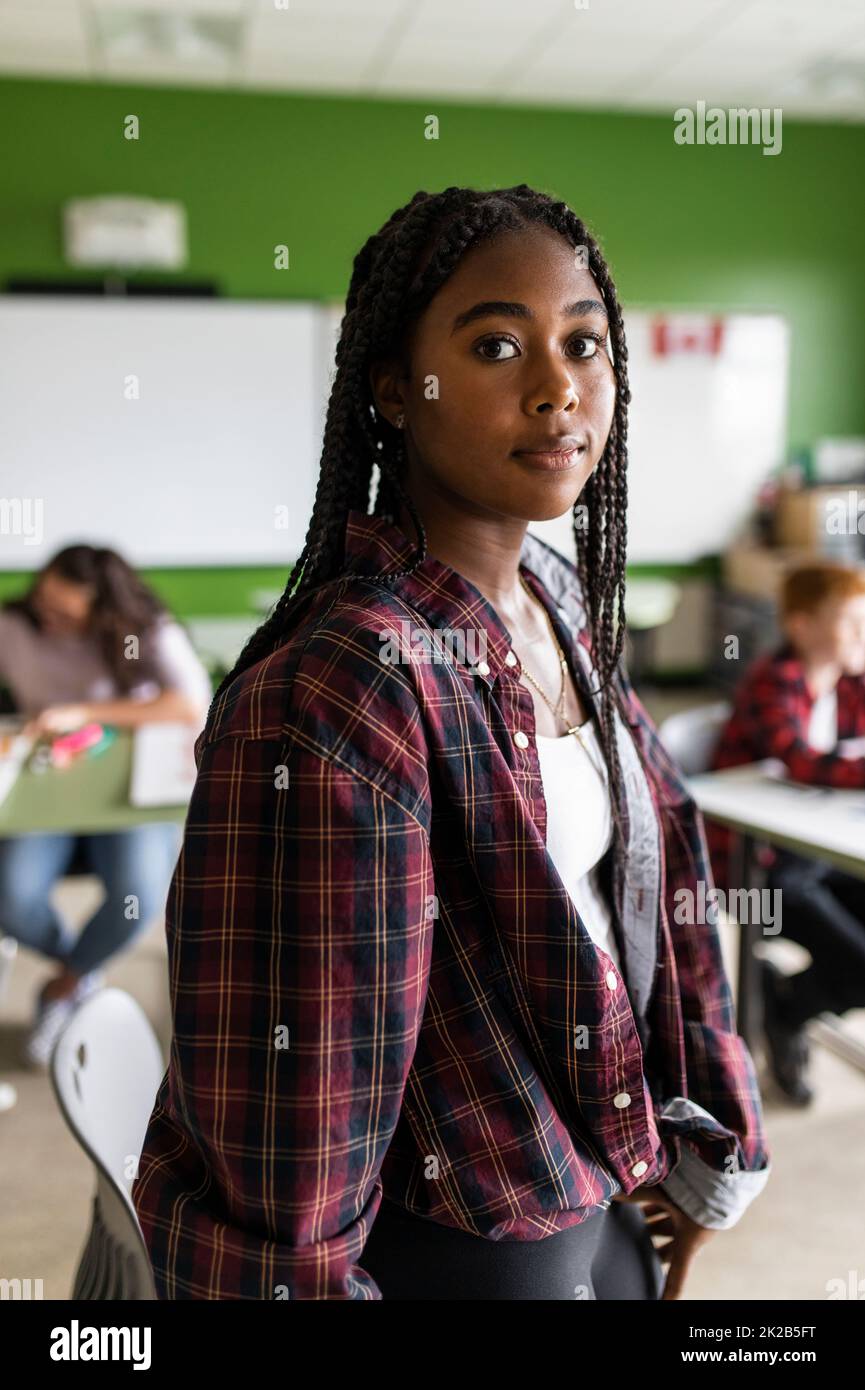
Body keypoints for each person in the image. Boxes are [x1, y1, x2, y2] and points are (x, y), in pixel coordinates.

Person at [132, 185, 771, 1302]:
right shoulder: (345, 689)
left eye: (584, 343)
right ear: (394, 387)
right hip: (461, 1256)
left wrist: (689, 1138)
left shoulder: (561, 601)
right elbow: (295, 1121)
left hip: (599, 1194)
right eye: (494, 345)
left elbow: (653, 881)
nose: (557, 386)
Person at [0, 543, 213, 1067]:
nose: (47, 618)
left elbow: (190, 703)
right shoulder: (13, 625)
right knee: (12, 898)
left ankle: (63, 987)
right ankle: (82, 974)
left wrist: (82, 712)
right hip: (45, 782)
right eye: (43, 602)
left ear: (104, 613)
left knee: (136, 894)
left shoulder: (143, 630)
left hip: (129, 788)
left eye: (65, 613)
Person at [706, 563, 865, 1107]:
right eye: (849, 623)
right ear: (800, 626)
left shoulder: (848, 684)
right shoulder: (774, 681)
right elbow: (799, 760)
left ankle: (787, 998)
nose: (861, 635)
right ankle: (790, 1006)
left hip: (813, 854)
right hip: (757, 867)